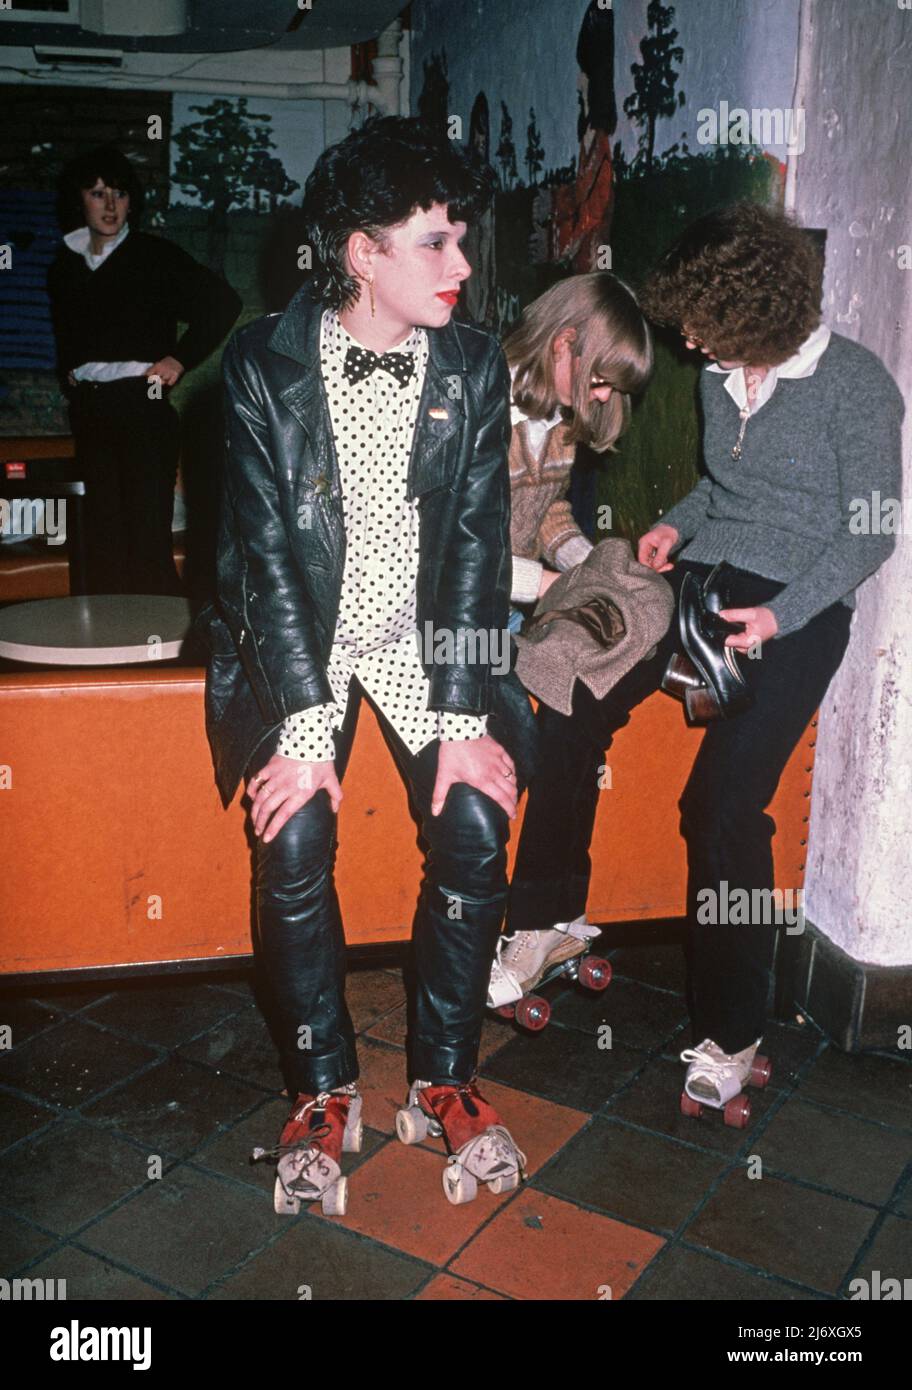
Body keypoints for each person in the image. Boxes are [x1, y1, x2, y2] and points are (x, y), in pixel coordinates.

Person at [195, 115, 538, 1214]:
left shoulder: (476, 364)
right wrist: (301, 729)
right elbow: (256, 566)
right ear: (363, 254)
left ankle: (442, 1078)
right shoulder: (261, 363)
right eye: (436, 241)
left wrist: (471, 709)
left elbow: (481, 548)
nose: (464, 264)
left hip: (421, 640)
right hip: (294, 637)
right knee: (293, 830)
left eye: (463, 239)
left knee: (479, 817)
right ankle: (320, 1085)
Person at [502, 202, 904, 1110]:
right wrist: (674, 527)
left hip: (796, 610)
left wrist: (780, 615)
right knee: (568, 691)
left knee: (722, 806)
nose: (689, 345)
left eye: (703, 327)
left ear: (754, 311)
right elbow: (721, 488)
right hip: (698, 580)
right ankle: (548, 917)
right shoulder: (719, 378)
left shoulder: (857, 385)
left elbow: (868, 534)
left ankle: (732, 1027)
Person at [489, 270, 655, 999]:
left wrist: (589, 565)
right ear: (564, 344)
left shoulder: (558, 415)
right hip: (449, 618)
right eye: (599, 382)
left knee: (581, 705)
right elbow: (441, 550)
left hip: (519, 605)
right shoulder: (474, 400)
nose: (599, 400)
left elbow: (550, 515)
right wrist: (546, 586)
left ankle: (553, 914)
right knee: (533, 738)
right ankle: (520, 920)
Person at [47, 145, 241, 595]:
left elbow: (223, 303)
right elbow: (64, 331)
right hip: (91, 409)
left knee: (147, 536)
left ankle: (165, 653)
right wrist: (70, 374)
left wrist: (178, 359)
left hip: (144, 404)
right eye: (97, 194)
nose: (110, 205)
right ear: (81, 201)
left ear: (132, 201)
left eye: (119, 193)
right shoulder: (65, 266)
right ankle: (109, 653)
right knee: (104, 535)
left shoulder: (154, 256)